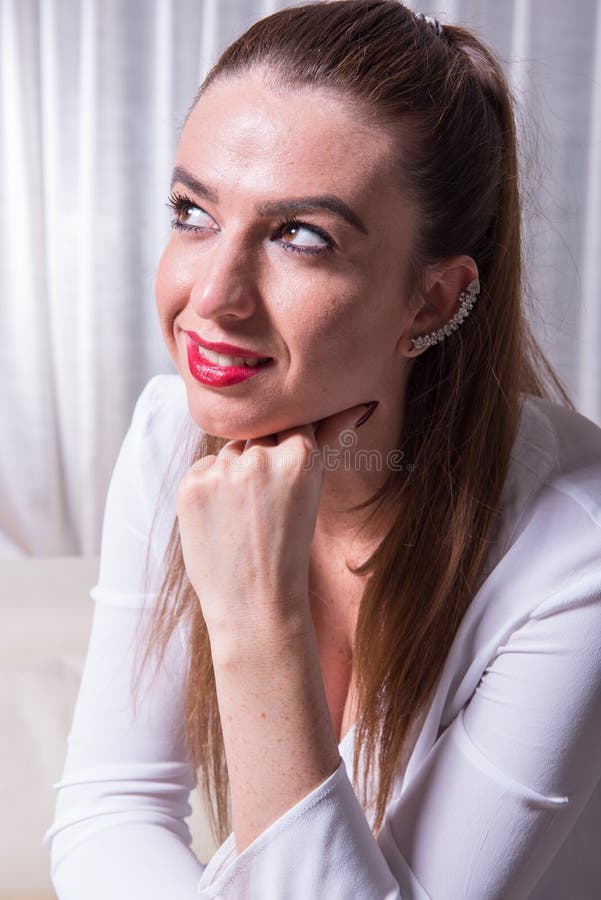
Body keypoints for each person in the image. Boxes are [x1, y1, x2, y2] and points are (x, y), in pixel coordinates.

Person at [44, 2, 601, 897]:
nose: (213, 295)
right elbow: (111, 807)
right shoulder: (169, 438)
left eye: (300, 235)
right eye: (192, 212)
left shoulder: (575, 558)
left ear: (429, 300)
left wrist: (258, 622)